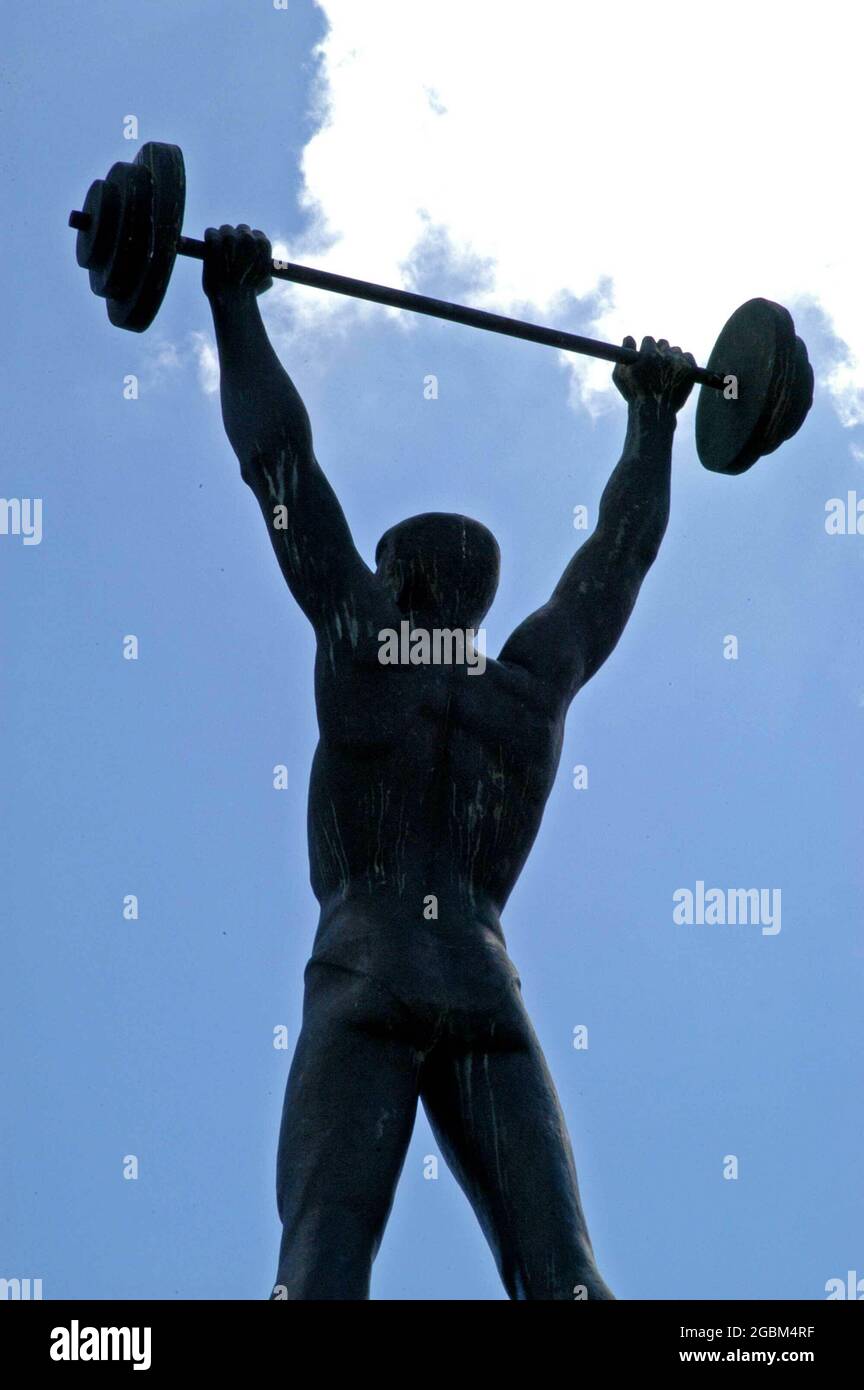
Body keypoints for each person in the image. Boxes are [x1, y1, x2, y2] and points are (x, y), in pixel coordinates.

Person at [203, 224, 696, 1300]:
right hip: (483, 985)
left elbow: (279, 468)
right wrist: (654, 419)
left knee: (323, 1256)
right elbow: (620, 558)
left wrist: (235, 310)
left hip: (367, 967)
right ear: (479, 594)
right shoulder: (527, 690)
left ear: (392, 577)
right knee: (564, 1276)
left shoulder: (366, 647)